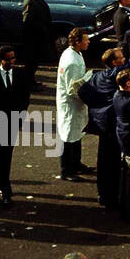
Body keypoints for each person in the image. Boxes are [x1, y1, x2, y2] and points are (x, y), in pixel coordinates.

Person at [0, 45, 29, 207]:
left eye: (13, 58)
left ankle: (0, 182)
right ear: (0, 60)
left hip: (14, 121)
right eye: (9, 59)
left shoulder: (20, 75)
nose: (12, 61)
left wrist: (21, 116)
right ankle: (5, 187)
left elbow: (25, 98)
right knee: (4, 153)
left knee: (6, 153)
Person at [54, 28, 91, 181]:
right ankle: (66, 170)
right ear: (77, 42)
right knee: (69, 135)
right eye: (86, 40)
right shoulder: (72, 62)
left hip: (75, 103)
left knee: (77, 132)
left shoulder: (74, 53)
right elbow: (72, 89)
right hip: (71, 103)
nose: (88, 41)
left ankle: (76, 163)